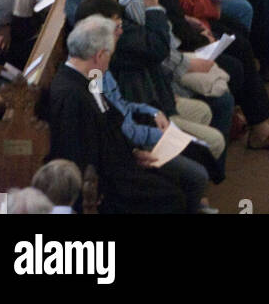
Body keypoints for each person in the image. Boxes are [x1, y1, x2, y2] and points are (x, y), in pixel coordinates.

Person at [47, 14, 186, 214]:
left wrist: (133, 153)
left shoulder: (88, 79)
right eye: (109, 56)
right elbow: (79, 154)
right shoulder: (70, 95)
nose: (109, 62)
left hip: (118, 163)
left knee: (172, 179)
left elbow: (109, 121)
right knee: (171, 197)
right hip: (103, 186)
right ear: (99, 55)